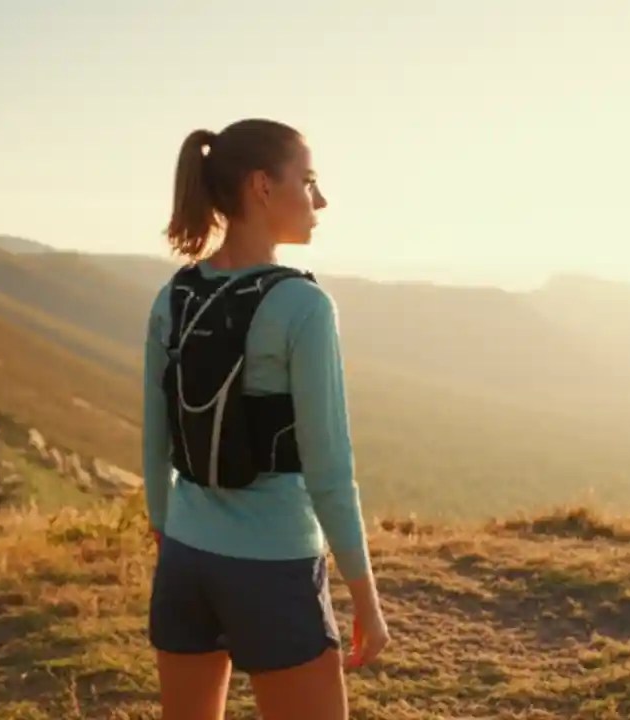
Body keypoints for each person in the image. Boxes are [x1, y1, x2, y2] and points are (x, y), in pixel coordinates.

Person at [141, 118, 388, 720]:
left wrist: (172, 536)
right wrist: (366, 598)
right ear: (262, 187)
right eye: (307, 181)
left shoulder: (174, 296)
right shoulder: (303, 306)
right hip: (273, 564)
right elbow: (330, 471)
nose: (320, 199)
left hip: (184, 564)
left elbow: (155, 444)